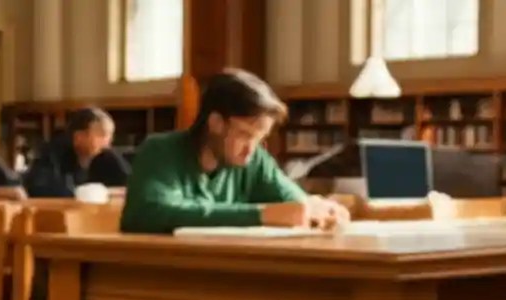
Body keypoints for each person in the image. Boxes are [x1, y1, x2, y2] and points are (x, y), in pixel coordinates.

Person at [120, 68, 348, 234]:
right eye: (245, 135)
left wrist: (319, 210)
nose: (251, 149)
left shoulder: (255, 160)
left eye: (260, 139)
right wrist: (261, 214)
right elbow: (148, 213)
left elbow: (294, 203)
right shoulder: (160, 151)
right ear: (216, 122)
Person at [23, 107, 130, 198]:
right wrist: (98, 194)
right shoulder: (53, 154)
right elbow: (40, 187)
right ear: (78, 137)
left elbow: (130, 186)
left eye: (110, 135)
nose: (108, 141)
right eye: (101, 135)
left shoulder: (107, 156)